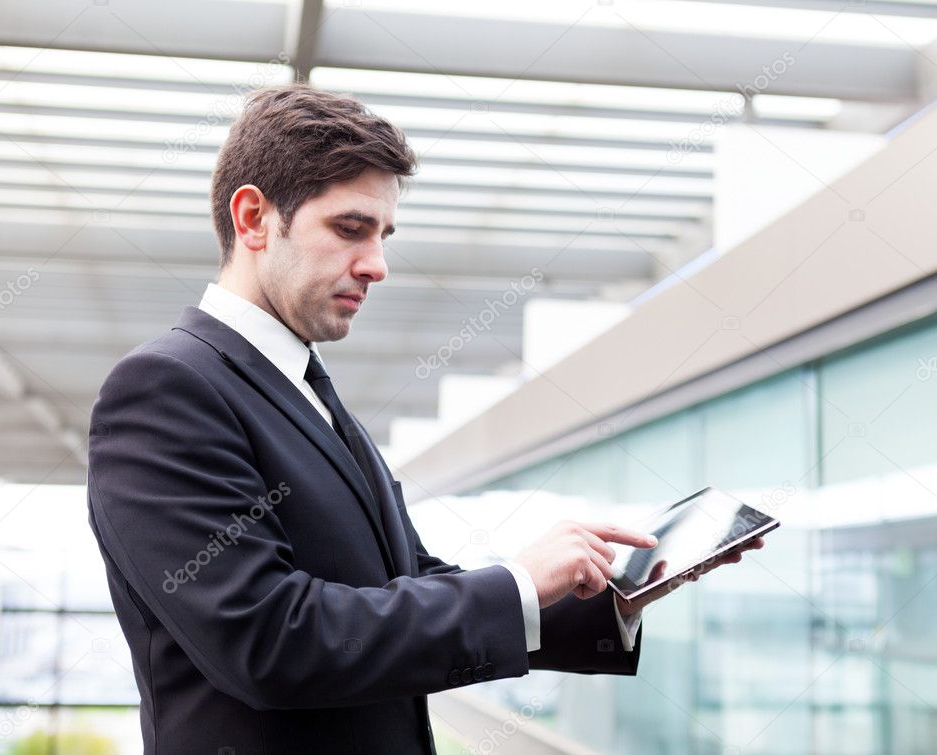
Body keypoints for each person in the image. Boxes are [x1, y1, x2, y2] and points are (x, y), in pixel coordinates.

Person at [86, 83, 762, 755]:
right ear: (254, 217)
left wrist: (613, 597)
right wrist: (519, 581)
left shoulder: (307, 389)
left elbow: (403, 585)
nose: (376, 265)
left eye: (383, 235)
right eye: (350, 228)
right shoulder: (165, 387)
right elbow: (267, 639)